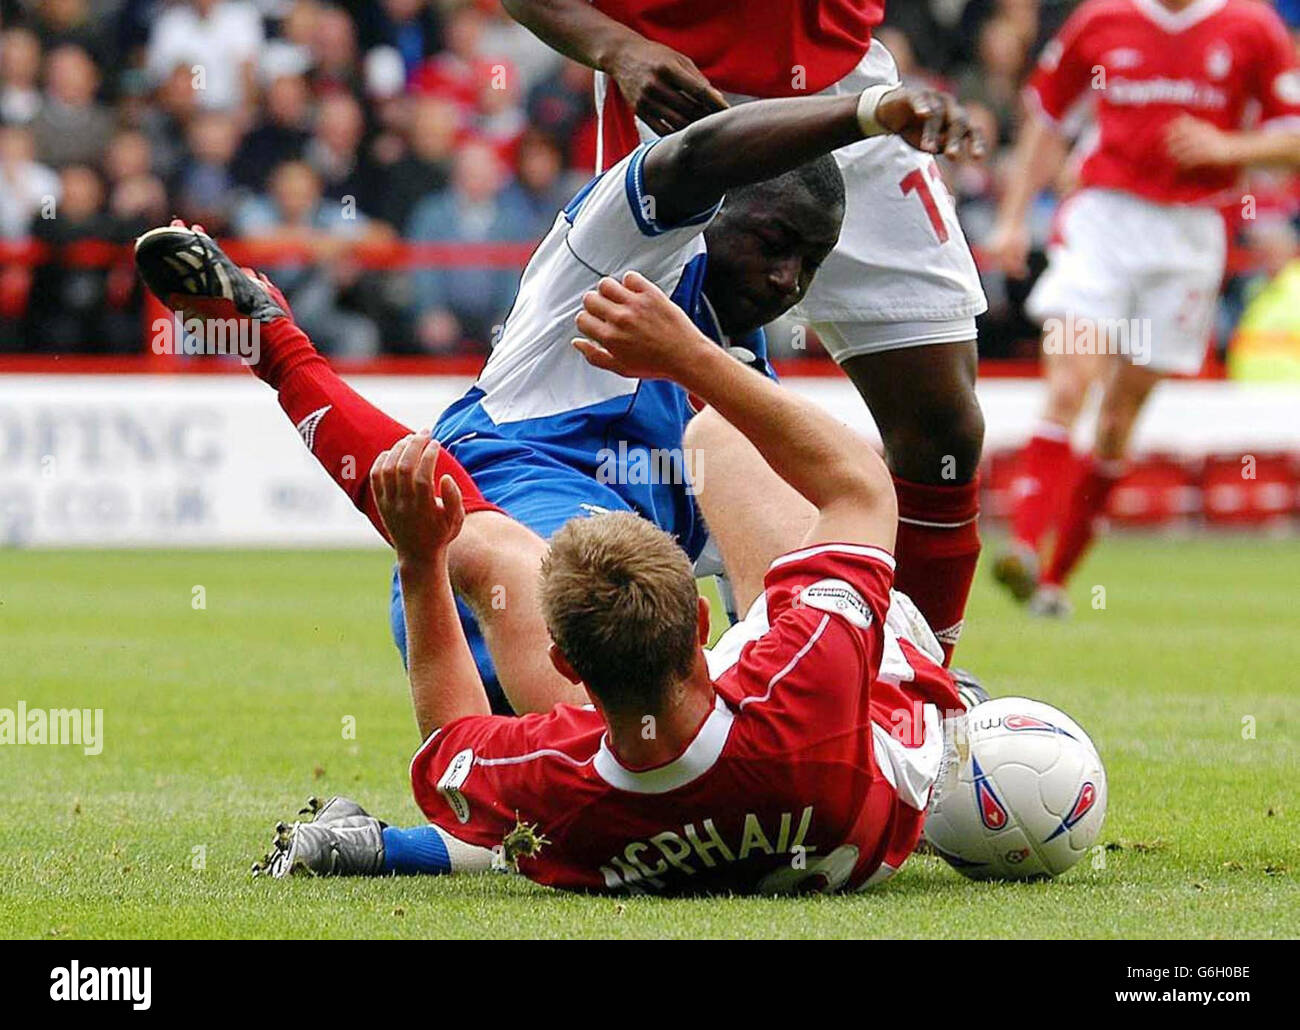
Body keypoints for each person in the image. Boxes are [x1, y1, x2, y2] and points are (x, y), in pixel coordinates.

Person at [256, 270, 968, 894]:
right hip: (869, 726)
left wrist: (418, 559)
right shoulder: (809, 673)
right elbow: (862, 490)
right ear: (700, 621)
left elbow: (454, 739)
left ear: (564, 661)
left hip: (642, 786)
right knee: (720, 438)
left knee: (486, 551)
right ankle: (956, 696)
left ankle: (283, 357)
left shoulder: (553, 775)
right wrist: (690, 357)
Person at [502, 0, 990, 662]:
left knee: (946, 425)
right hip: (680, 95)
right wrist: (618, 48)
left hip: (848, 86)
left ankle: (918, 695)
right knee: (696, 418)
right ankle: (699, 689)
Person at [985, 0, 1300, 616]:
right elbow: (1049, 119)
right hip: (1103, 218)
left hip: (1191, 235)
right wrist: (1014, 217)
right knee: (1070, 383)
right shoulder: (1100, 21)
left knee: (1117, 422)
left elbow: (1292, 141)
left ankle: (1054, 580)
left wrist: (1228, 147)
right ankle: (1021, 545)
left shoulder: (1252, 28)